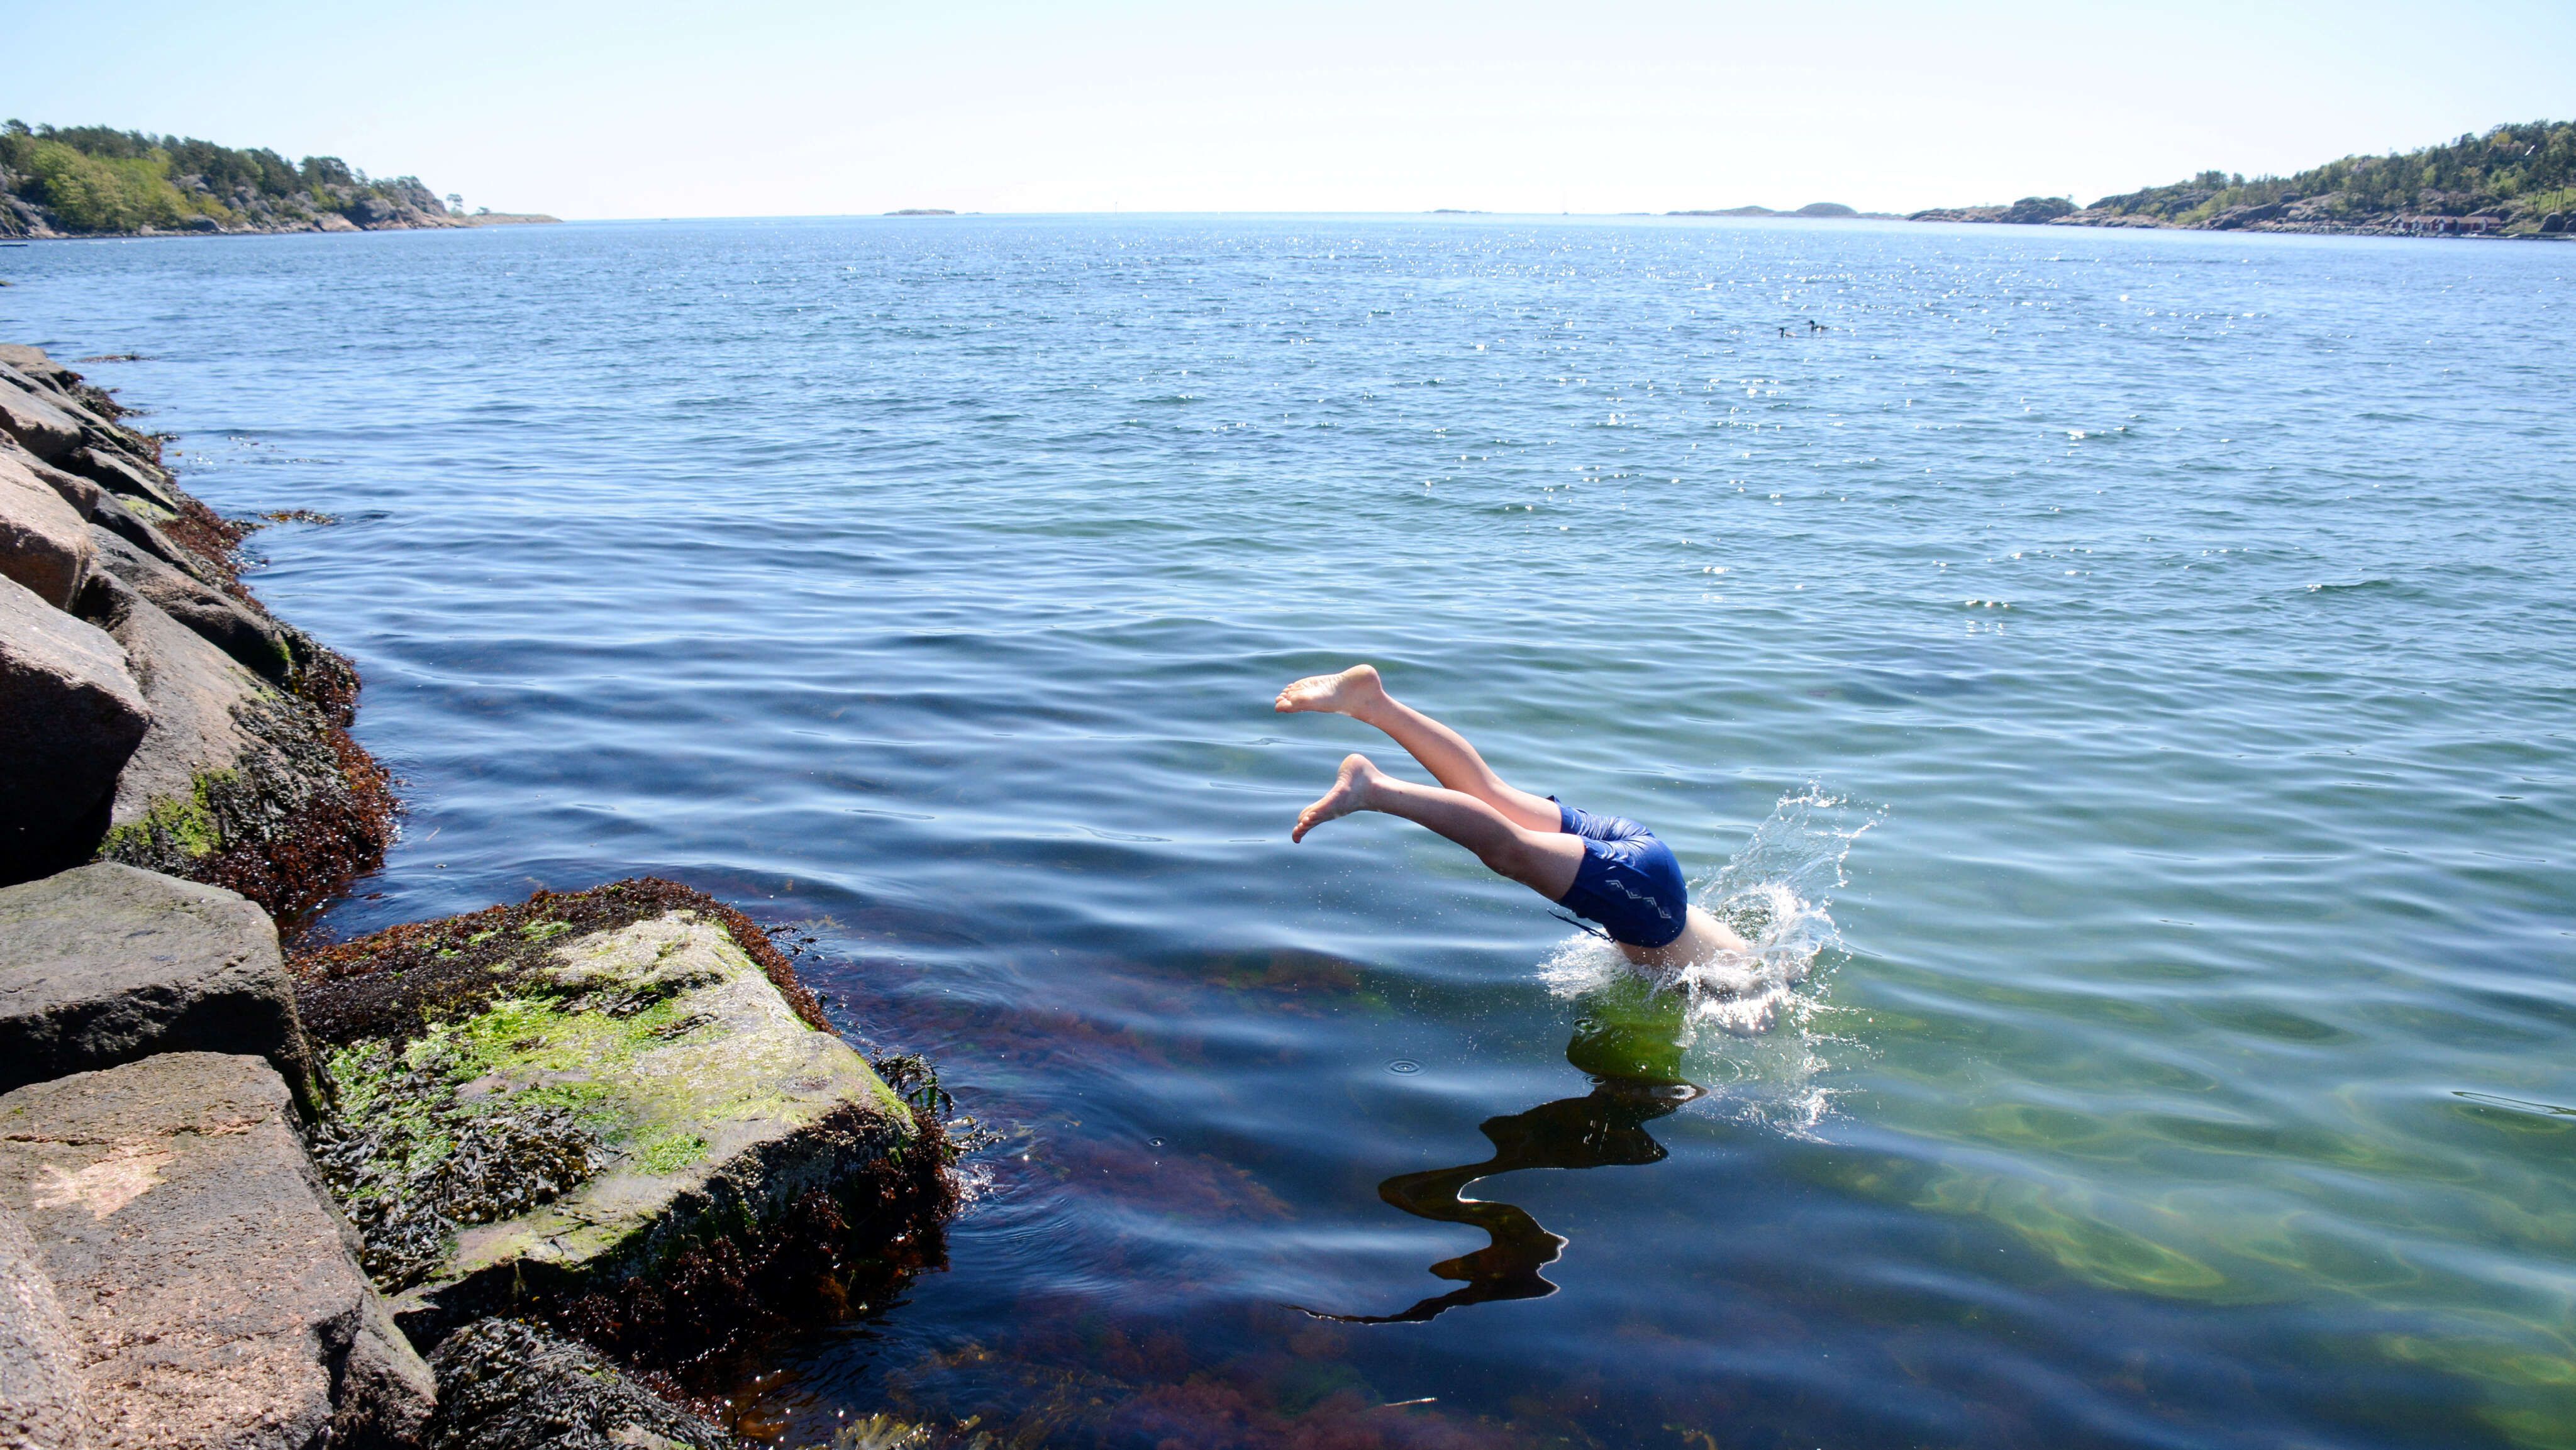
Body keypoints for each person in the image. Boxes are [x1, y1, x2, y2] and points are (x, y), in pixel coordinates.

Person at [1277, 665, 1743, 969]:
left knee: (1488, 793)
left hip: (1644, 853)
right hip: (1644, 896)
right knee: (1510, 851)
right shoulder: (1749, 987)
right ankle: (1375, 788)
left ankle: (1372, 703)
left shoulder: (1740, 954)